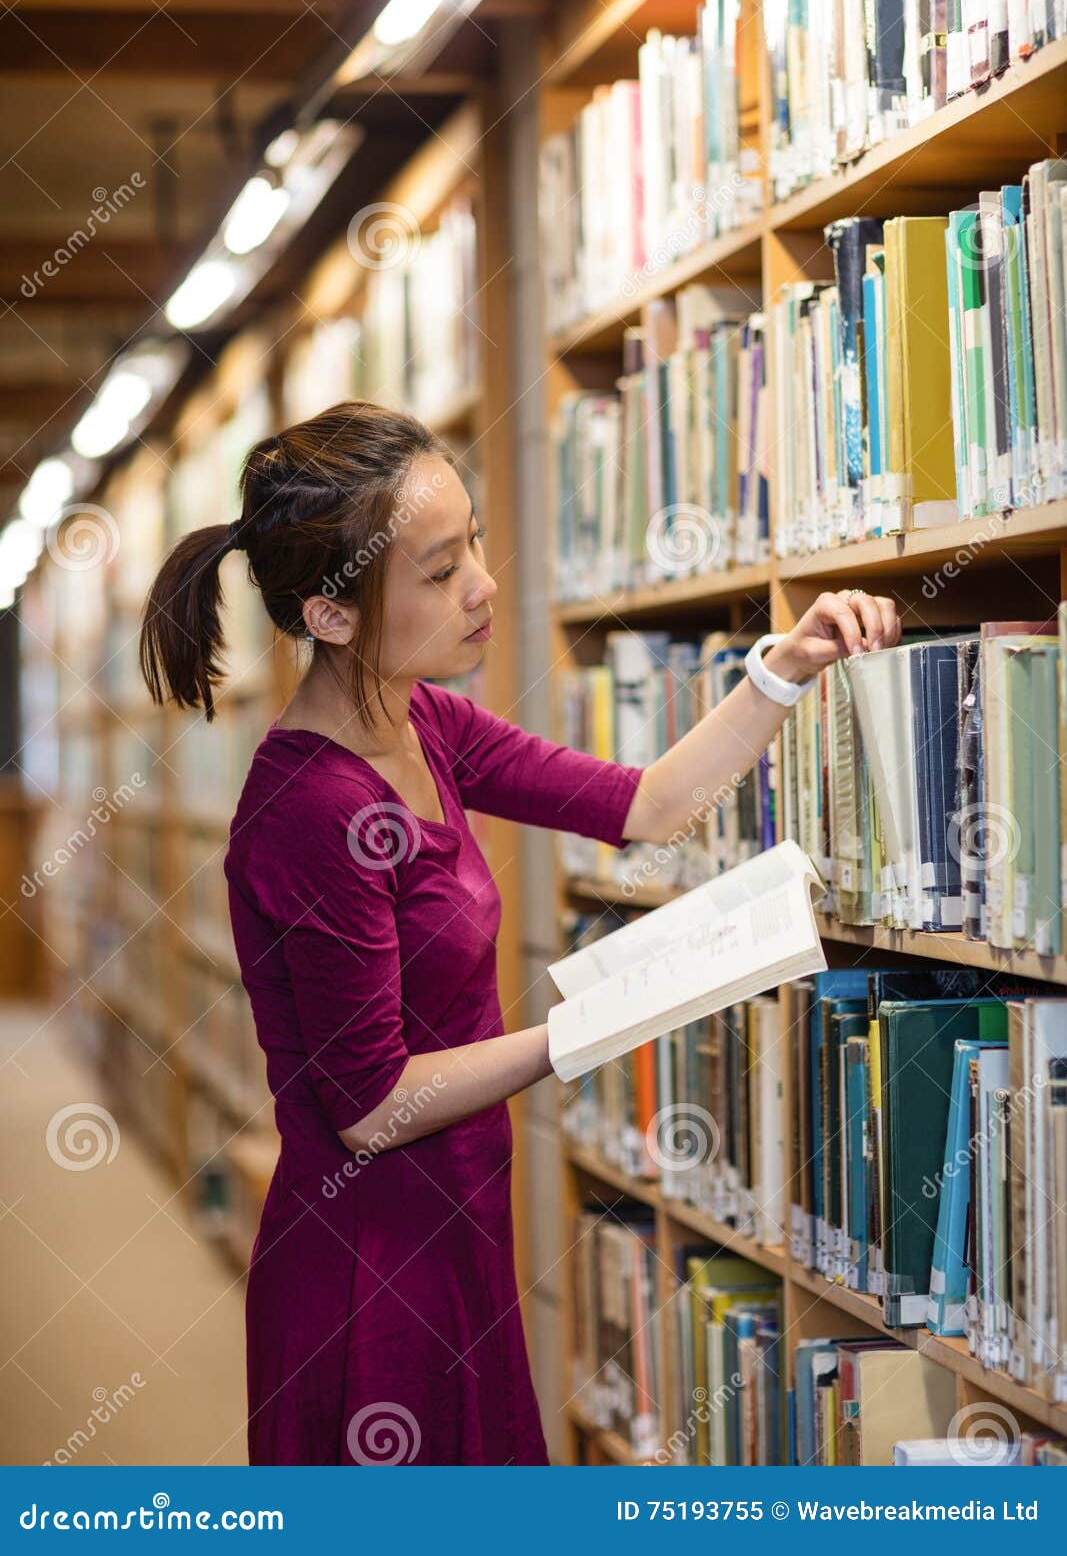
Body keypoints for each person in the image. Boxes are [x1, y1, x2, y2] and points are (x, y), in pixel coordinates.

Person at [138, 400, 901, 1466]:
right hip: (371, 1268)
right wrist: (582, 1027)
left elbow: (641, 804)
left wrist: (784, 667)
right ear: (332, 614)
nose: (483, 584)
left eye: (474, 543)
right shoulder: (307, 812)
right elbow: (366, 1108)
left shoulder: (423, 720)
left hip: (458, 1227)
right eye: (441, 570)